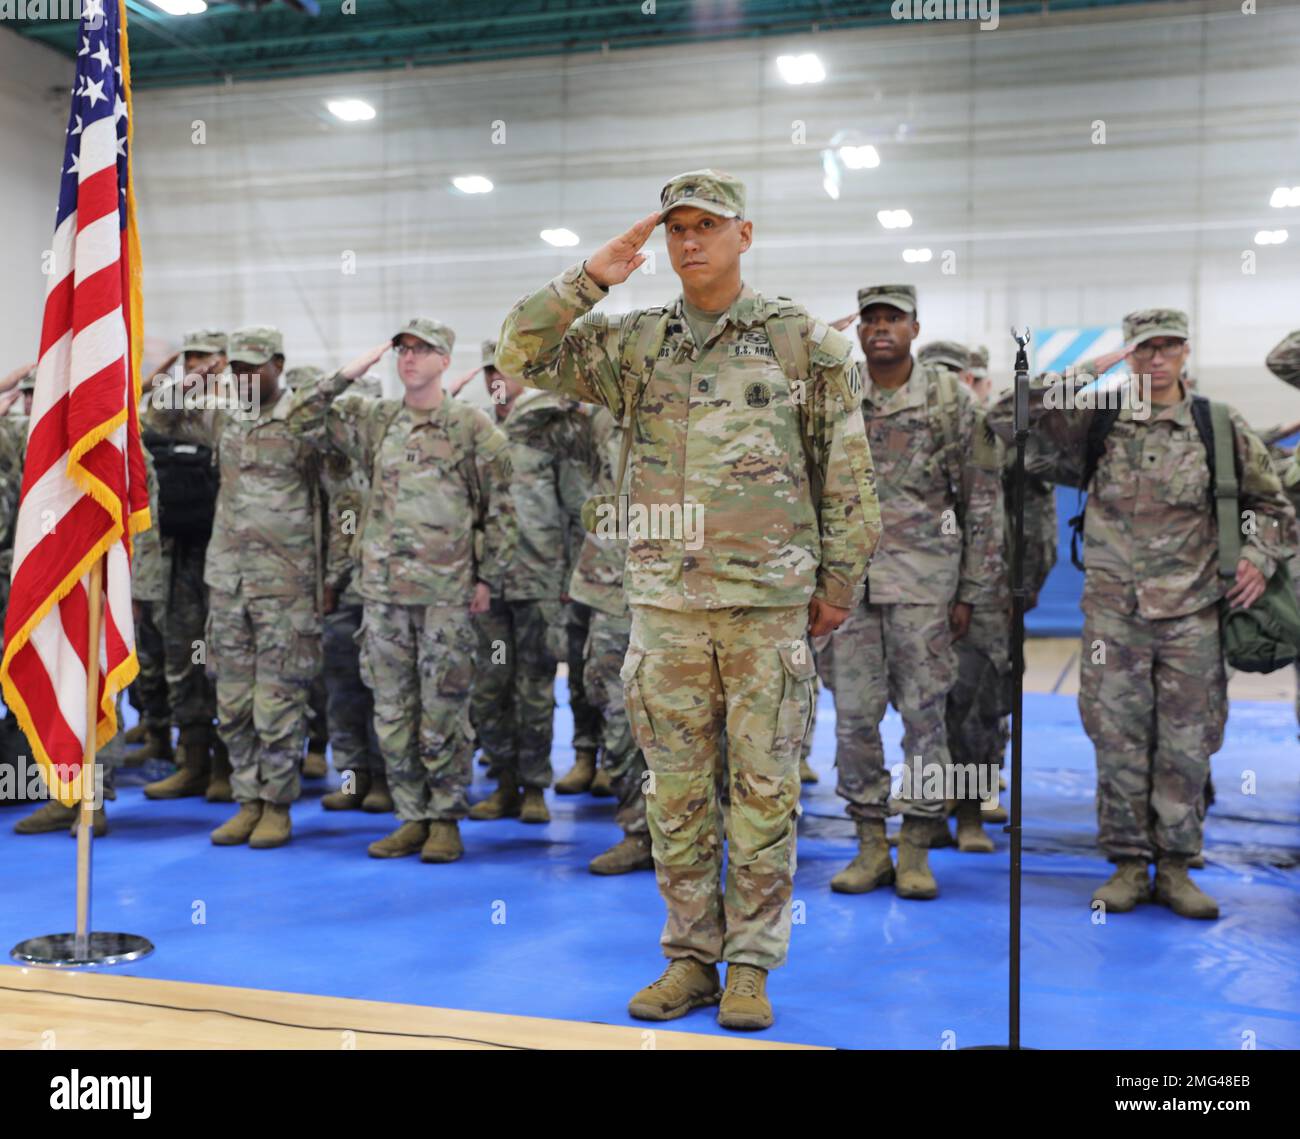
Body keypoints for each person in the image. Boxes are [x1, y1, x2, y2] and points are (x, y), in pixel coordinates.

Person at [497, 168, 880, 1030]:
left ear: (745, 235)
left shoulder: (802, 344)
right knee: (673, 793)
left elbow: (847, 470)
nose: (690, 241)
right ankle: (689, 957)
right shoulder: (634, 343)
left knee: (763, 789)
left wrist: (839, 581)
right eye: (677, 228)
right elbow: (519, 354)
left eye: (708, 225)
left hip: (766, 604)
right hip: (666, 607)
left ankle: (749, 964)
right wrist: (589, 278)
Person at [989, 309, 1293, 919]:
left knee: (1187, 742)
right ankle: (1129, 864)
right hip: (1113, 617)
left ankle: (1177, 866)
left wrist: (1258, 556)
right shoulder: (1099, 422)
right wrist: (1084, 372)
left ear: (1185, 351)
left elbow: (1271, 503)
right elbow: (1005, 418)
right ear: (1130, 354)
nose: (1157, 360)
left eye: (1168, 347)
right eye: (1144, 349)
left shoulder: (1217, 424)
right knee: (1118, 739)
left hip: (1193, 612)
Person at [289, 319, 516, 863]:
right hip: (384, 593)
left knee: (444, 708)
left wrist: (487, 578)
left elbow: (501, 511)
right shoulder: (378, 420)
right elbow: (300, 419)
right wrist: (348, 373)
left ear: (444, 360)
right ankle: (411, 815)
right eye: (402, 351)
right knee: (391, 711)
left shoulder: (472, 428)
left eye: (422, 350)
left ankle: (445, 819)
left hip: (445, 594)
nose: (409, 359)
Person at [828, 292, 1003, 897]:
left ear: (914, 329)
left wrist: (973, 588)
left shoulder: (948, 397)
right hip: (847, 585)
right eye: (871, 321)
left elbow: (981, 496)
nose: (881, 330)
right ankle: (870, 843)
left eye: (892, 320)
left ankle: (918, 847)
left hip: (925, 584)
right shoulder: (837, 390)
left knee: (925, 717)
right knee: (853, 717)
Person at [202, 326, 326, 849]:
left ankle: (277, 805)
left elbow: (339, 494)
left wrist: (333, 577)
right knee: (231, 701)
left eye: (254, 367)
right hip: (229, 581)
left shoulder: (305, 421)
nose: (244, 378)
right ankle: (246, 800)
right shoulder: (224, 416)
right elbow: (155, 417)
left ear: (278, 363)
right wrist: (190, 379)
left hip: (286, 585)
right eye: (237, 369)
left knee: (277, 702)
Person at [468, 338, 588, 824]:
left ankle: (535, 786)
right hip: (487, 585)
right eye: (489, 374)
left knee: (535, 685)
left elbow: (575, 508)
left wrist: (570, 575)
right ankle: (503, 783)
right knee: (490, 686)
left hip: (538, 579)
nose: (497, 382)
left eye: (505, 372)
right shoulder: (473, 431)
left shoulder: (546, 432)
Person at [138, 329, 228, 800]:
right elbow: (151, 413)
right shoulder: (178, 410)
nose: (199, 365)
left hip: (228, 558)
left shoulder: (241, 409)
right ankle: (193, 759)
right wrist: (183, 378)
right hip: (177, 557)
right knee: (183, 657)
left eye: (207, 358)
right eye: (191, 358)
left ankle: (230, 767)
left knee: (226, 662)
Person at [565, 406, 653, 873]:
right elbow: (533, 416)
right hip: (612, 586)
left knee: (694, 718)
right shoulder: (603, 418)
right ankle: (638, 830)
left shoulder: (706, 399)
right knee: (614, 708)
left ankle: (698, 834)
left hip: (685, 589)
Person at [317, 374, 389, 813]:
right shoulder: (330, 464)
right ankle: (351, 777)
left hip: (384, 591)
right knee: (342, 688)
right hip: (340, 593)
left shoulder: (394, 459)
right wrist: (329, 581)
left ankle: (384, 778)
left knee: (383, 689)